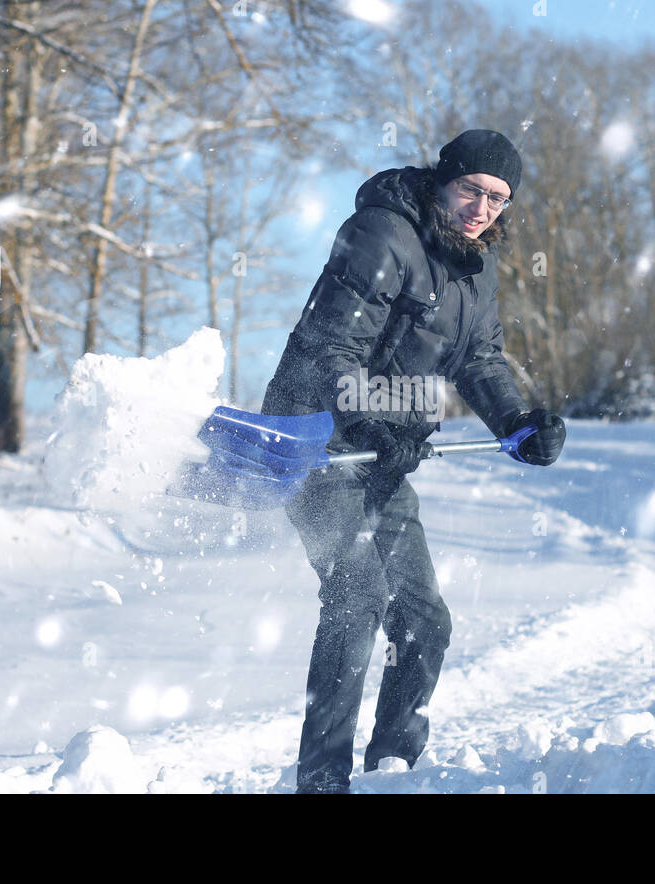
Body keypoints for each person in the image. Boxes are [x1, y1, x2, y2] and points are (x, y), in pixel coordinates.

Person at [261, 129, 566, 793]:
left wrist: (518, 423)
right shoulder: (381, 233)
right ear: (440, 180)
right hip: (313, 442)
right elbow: (328, 348)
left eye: (499, 198)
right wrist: (372, 414)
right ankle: (321, 781)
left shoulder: (472, 270)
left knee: (424, 621)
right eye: (472, 190)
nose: (483, 208)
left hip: (380, 458)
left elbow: (479, 359)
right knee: (358, 593)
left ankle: (391, 771)